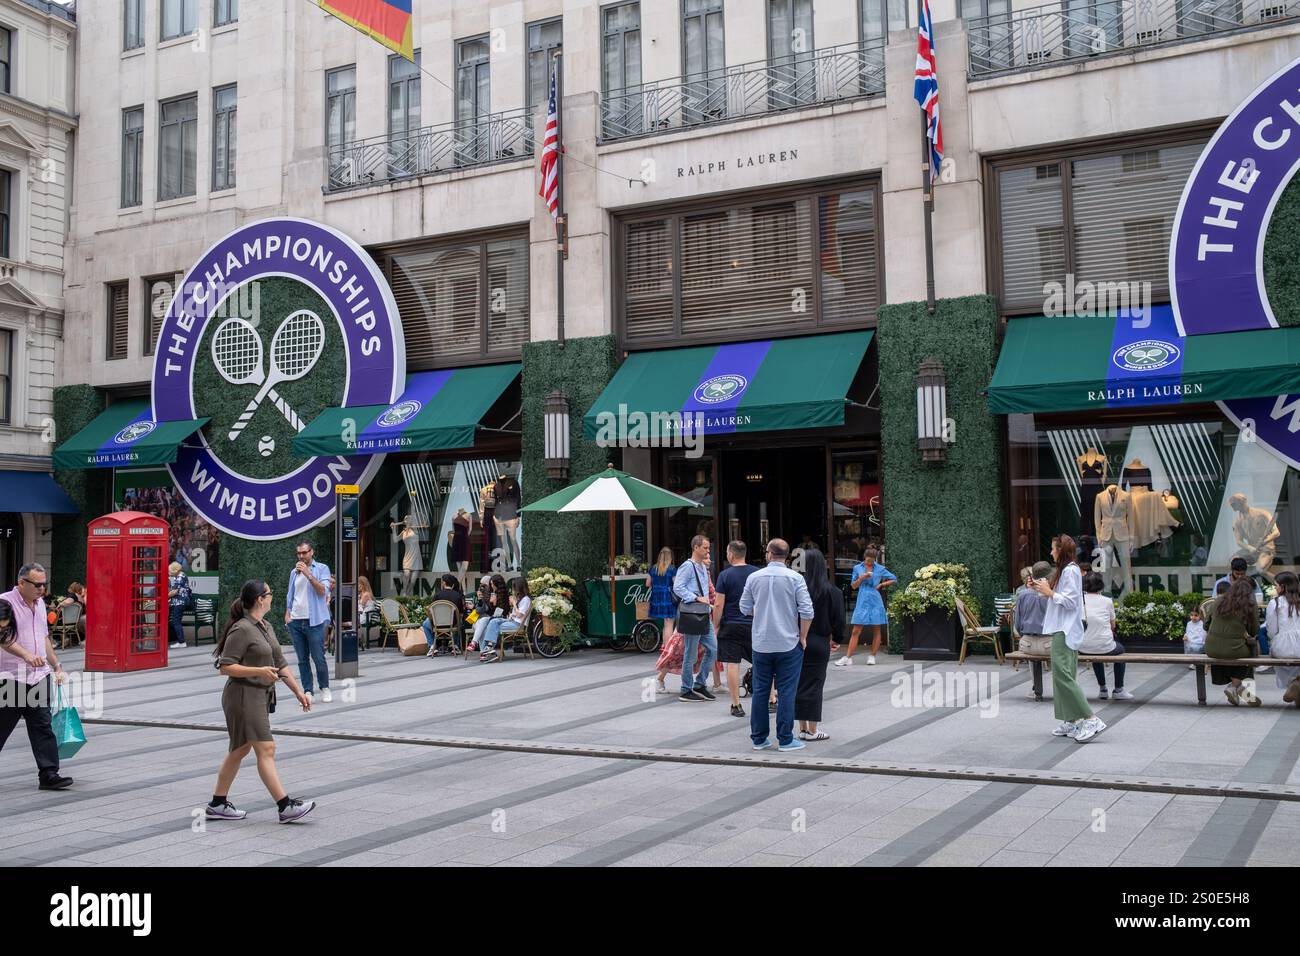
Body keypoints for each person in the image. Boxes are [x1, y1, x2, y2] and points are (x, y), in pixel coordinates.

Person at [207, 580, 316, 823]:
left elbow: (281, 663)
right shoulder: (242, 629)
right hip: (243, 696)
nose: (272, 597)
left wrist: (299, 692)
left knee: (239, 749)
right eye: (270, 593)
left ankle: (217, 803)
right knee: (266, 748)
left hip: (257, 694)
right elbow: (225, 667)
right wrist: (257, 670)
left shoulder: (265, 626)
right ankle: (285, 806)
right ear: (260, 599)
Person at [0, 565, 72, 791]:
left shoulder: (40, 604)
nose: (42, 589)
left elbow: (44, 638)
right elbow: (1, 636)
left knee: (42, 725)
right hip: (11, 677)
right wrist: (26, 656)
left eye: (44, 584)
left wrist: (57, 666)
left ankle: (49, 773)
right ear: (22, 582)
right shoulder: (5, 602)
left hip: (39, 676)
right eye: (37, 585)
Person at [740, 539, 814, 752]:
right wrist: (803, 636)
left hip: (761, 642)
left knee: (761, 691)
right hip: (789, 642)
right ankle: (785, 738)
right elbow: (807, 610)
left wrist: (761, 612)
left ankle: (759, 738)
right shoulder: (795, 578)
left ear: (769, 554)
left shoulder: (753, 577)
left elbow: (744, 607)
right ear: (786, 556)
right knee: (787, 691)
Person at [1031, 534, 1107, 743]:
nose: (1051, 552)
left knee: (1063, 676)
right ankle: (1072, 720)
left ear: (1061, 550)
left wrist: (1049, 592)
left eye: (1053, 548)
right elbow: (1060, 598)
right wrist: (1042, 589)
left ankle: (1091, 719)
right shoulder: (1065, 571)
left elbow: (1071, 602)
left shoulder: (1071, 571)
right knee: (1063, 676)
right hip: (1062, 629)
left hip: (1064, 630)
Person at [796, 548, 842, 742]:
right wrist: (837, 639)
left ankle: (802, 728)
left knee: (799, 683)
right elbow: (839, 619)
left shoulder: (798, 588)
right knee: (815, 684)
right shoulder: (832, 591)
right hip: (820, 641)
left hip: (799, 639)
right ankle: (813, 730)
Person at [713, 540, 757, 718]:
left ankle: (736, 704)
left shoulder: (724, 575)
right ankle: (772, 699)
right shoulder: (756, 573)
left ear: (731, 554)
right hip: (753, 624)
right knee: (762, 662)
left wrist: (716, 624)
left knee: (733, 664)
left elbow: (718, 604)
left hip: (730, 625)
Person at [284, 541, 332, 704]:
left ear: (312, 552)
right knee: (302, 659)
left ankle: (324, 687)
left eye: (304, 553)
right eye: (299, 553)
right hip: (296, 621)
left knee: (318, 657)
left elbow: (323, 591)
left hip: (315, 621)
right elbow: (291, 594)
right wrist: (287, 614)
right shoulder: (293, 572)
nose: (301, 556)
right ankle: (307, 690)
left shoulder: (322, 569)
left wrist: (308, 574)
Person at [673, 535, 718, 702]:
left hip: (704, 614)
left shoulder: (701, 567)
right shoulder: (688, 566)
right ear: (696, 548)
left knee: (713, 649)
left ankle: (699, 683)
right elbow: (678, 587)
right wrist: (695, 597)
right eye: (705, 548)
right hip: (693, 614)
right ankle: (686, 689)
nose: (708, 551)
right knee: (690, 654)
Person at [1205, 576, 1263, 706]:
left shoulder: (1218, 600)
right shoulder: (1249, 605)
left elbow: (1205, 625)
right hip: (1233, 649)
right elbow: (1254, 631)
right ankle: (1235, 686)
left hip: (1211, 648)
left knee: (1231, 650)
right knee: (1251, 650)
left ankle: (1239, 689)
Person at [835, 546, 896, 666]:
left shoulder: (880, 568)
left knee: (877, 629)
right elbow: (853, 586)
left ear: (875, 559)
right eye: (868, 560)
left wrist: (881, 584)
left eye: (872, 561)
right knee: (856, 630)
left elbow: (894, 579)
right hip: (862, 599)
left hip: (875, 599)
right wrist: (862, 577)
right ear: (864, 557)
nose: (869, 562)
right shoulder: (858, 568)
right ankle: (848, 657)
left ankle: (872, 656)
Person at [1080, 571, 1130, 700]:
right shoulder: (1107, 601)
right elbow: (1113, 625)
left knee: (1097, 654)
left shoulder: (1079, 601)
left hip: (1082, 647)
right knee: (1120, 651)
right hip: (1104, 646)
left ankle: (1103, 689)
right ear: (1101, 586)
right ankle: (1118, 690)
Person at [1264, 571, 1300, 705]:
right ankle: (1298, 682)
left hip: (1283, 647)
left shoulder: (1275, 603)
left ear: (1283, 586)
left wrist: (1275, 642)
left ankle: (1294, 683)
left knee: (1279, 654)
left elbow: (1272, 631)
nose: (1275, 588)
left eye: (1276, 586)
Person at [647, 548, 678, 692]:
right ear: (670, 557)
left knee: (663, 622)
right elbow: (676, 584)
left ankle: (664, 644)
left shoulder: (653, 569)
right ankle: (667, 645)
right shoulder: (671, 569)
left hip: (656, 596)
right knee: (669, 622)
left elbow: (648, 583)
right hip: (667, 596)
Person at [480, 577, 530, 662]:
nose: (514, 590)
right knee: (493, 621)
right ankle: (489, 649)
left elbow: (519, 614)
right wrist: (511, 614)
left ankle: (488, 649)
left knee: (492, 626)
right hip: (512, 621)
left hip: (517, 625)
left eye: (515, 587)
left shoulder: (526, 599)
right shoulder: (519, 598)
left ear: (520, 587)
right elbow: (516, 614)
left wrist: (514, 604)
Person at [424, 573, 465, 655]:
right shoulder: (458, 596)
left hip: (437, 624)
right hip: (453, 625)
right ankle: (456, 646)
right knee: (460, 622)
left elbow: (431, 611)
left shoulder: (437, 595)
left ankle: (432, 646)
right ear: (453, 584)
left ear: (444, 583)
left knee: (425, 624)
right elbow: (460, 614)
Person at [167, 561, 191, 649]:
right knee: (176, 621)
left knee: (176, 621)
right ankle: (181, 641)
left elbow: (174, 591)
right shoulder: (181, 575)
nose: (169, 573)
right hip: (180, 602)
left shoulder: (180, 577)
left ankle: (182, 641)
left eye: (170, 571)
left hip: (179, 602)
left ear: (175, 570)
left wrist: (165, 596)